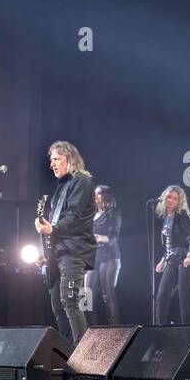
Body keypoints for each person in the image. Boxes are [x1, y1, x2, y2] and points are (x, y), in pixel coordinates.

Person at [36, 141, 96, 344]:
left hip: (74, 252)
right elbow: (58, 222)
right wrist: (45, 248)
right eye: (51, 159)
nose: (52, 163)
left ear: (69, 158)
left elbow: (74, 217)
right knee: (58, 306)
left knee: (70, 301)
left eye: (56, 159)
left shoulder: (82, 181)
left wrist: (52, 228)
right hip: (57, 253)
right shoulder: (62, 185)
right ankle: (67, 351)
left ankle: (83, 356)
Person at [154, 185, 190, 324]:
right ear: (164, 198)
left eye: (175, 199)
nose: (171, 201)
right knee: (162, 296)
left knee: (184, 297)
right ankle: (159, 329)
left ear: (179, 202)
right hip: (171, 260)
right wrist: (163, 260)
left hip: (184, 259)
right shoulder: (167, 218)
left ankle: (188, 331)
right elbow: (169, 244)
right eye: (169, 197)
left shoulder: (181, 215)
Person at [91, 184, 122, 325]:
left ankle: (114, 327)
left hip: (109, 256)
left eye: (98, 194)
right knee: (88, 293)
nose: (95, 196)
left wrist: (99, 237)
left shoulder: (113, 214)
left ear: (105, 196)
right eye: (95, 194)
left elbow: (114, 237)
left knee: (107, 293)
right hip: (93, 256)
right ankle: (90, 326)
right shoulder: (92, 214)